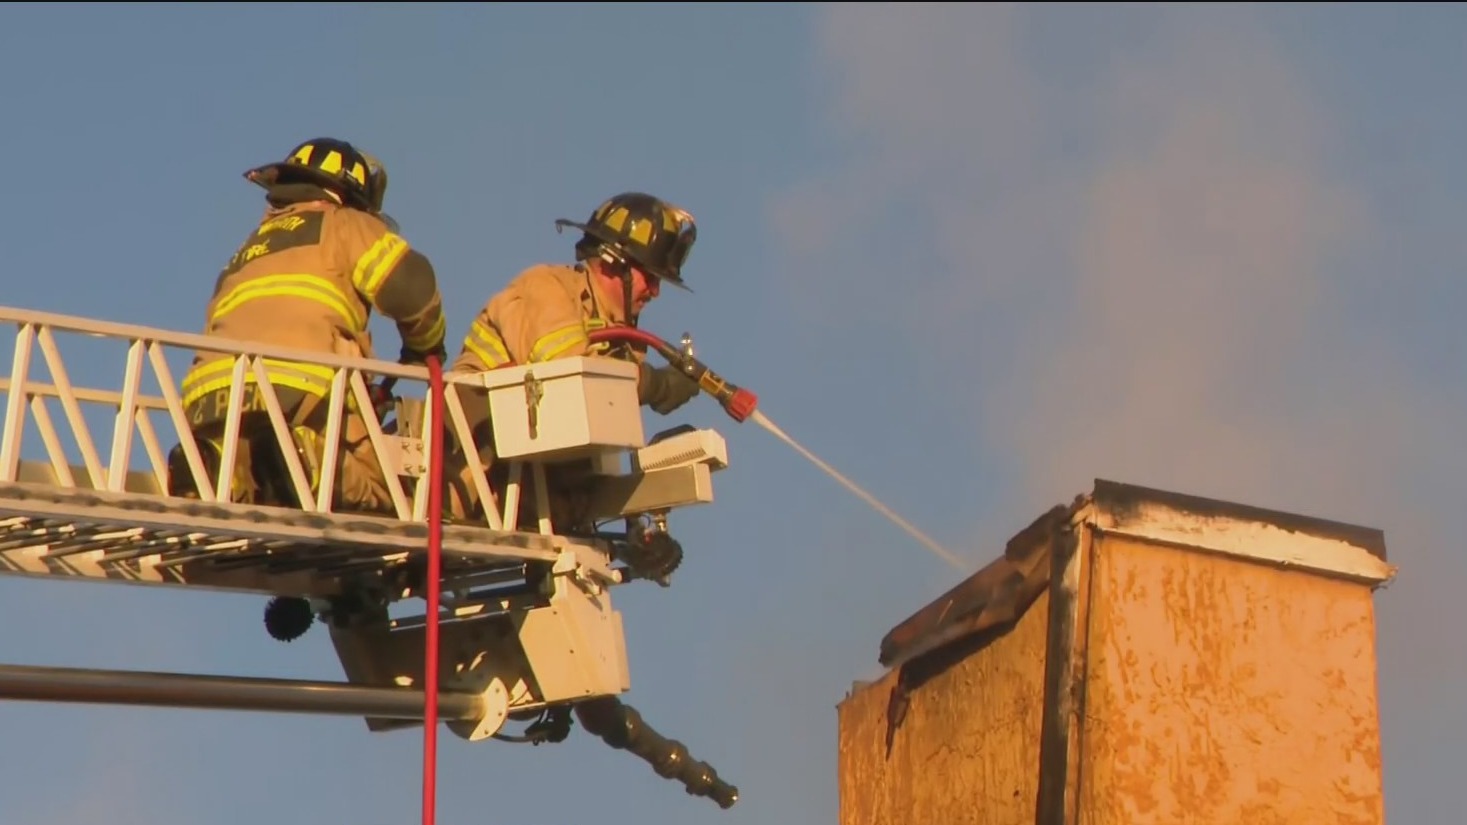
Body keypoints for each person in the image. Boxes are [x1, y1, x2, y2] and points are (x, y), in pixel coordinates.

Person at [168, 137, 449, 515]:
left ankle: (213, 462)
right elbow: (413, 287)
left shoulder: (248, 249)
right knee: (388, 488)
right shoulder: (345, 224)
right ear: (349, 194)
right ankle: (308, 459)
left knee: (248, 462)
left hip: (214, 396)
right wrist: (424, 349)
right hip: (300, 389)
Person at [443, 191, 704, 528]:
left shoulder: (620, 341)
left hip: (536, 499)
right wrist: (653, 384)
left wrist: (639, 535)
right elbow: (569, 376)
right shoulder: (546, 289)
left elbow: (592, 457)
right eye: (650, 278)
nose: (655, 293)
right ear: (614, 262)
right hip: (470, 482)